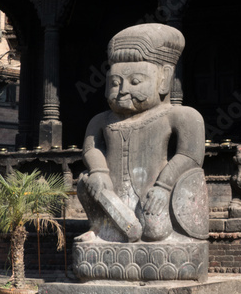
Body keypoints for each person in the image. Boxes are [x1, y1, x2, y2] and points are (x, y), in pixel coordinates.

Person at [76, 23, 207, 243]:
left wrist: (163, 187)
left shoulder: (181, 115)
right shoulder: (101, 120)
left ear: (163, 78)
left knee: (154, 232)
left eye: (135, 81)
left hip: (154, 191)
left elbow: (190, 155)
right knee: (86, 181)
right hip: (112, 197)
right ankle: (101, 228)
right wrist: (98, 171)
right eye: (115, 83)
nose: (123, 90)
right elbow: (91, 148)